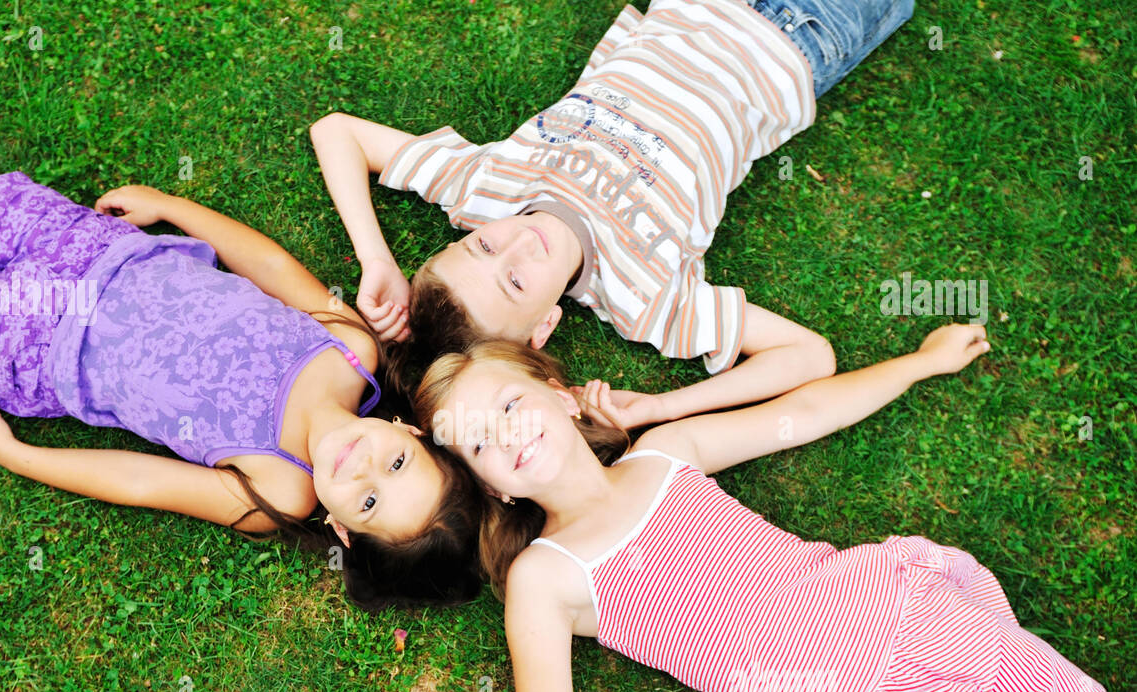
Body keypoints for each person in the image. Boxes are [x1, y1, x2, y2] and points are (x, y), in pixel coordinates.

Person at [413, 324, 1137, 692]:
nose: (506, 434)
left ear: (563, 396)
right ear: (495, 488)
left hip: (916, 621)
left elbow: (809, 412)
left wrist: (918, 364)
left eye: (509, 403)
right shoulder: (546, 576)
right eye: (479, 442)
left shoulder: (665, 451)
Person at [0, 162, 483, 608]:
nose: (365, 467)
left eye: (367, 503)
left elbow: (143, 482)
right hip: (87, 249)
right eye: (397, 462)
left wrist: (20, 454)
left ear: (342, 532)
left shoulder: (277, 488)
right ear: (409, 429)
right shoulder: (351, 352)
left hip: (27, 346)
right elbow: (269, 265)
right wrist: (174, 207)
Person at [312, 0, 916, 420]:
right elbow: (810, 356)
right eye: (517, 282)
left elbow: (337, 132)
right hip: (803, 36)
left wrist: (376, 259)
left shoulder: (481, 191)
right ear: (543, 325)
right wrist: (662, 407)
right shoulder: (645, 298)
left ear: (466, 233)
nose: (520, 244)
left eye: (484, 246)